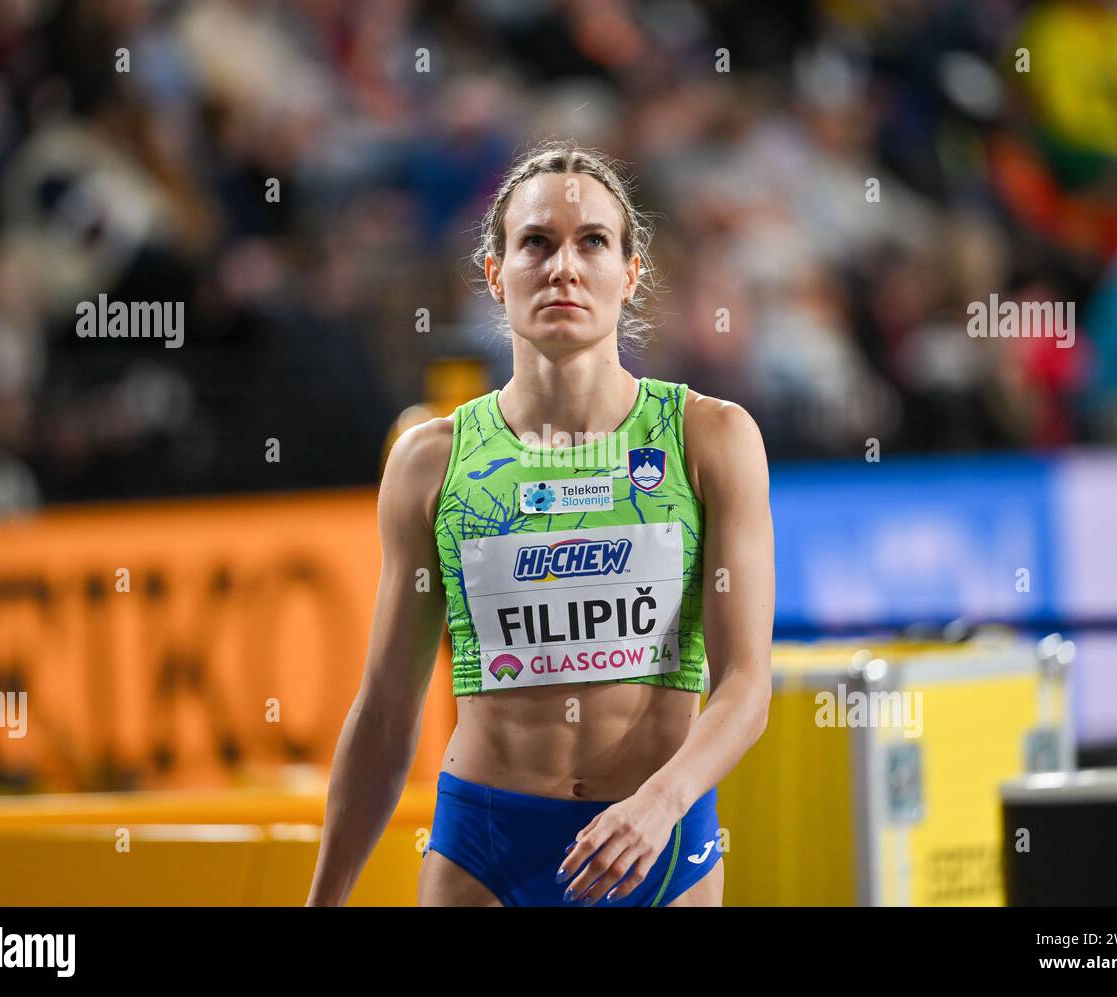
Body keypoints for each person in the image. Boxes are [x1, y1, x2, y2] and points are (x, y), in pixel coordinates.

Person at [307, 141, 774, 907]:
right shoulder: (430, 461)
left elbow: (747, 684)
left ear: (629, 273)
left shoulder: (710, 438)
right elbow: (387, 709)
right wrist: (323, 900)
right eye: (536, 242)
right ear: (496, 274)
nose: (563, 266)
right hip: (485, 850)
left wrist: (661, 802)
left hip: (657, 848)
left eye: (592, 241)